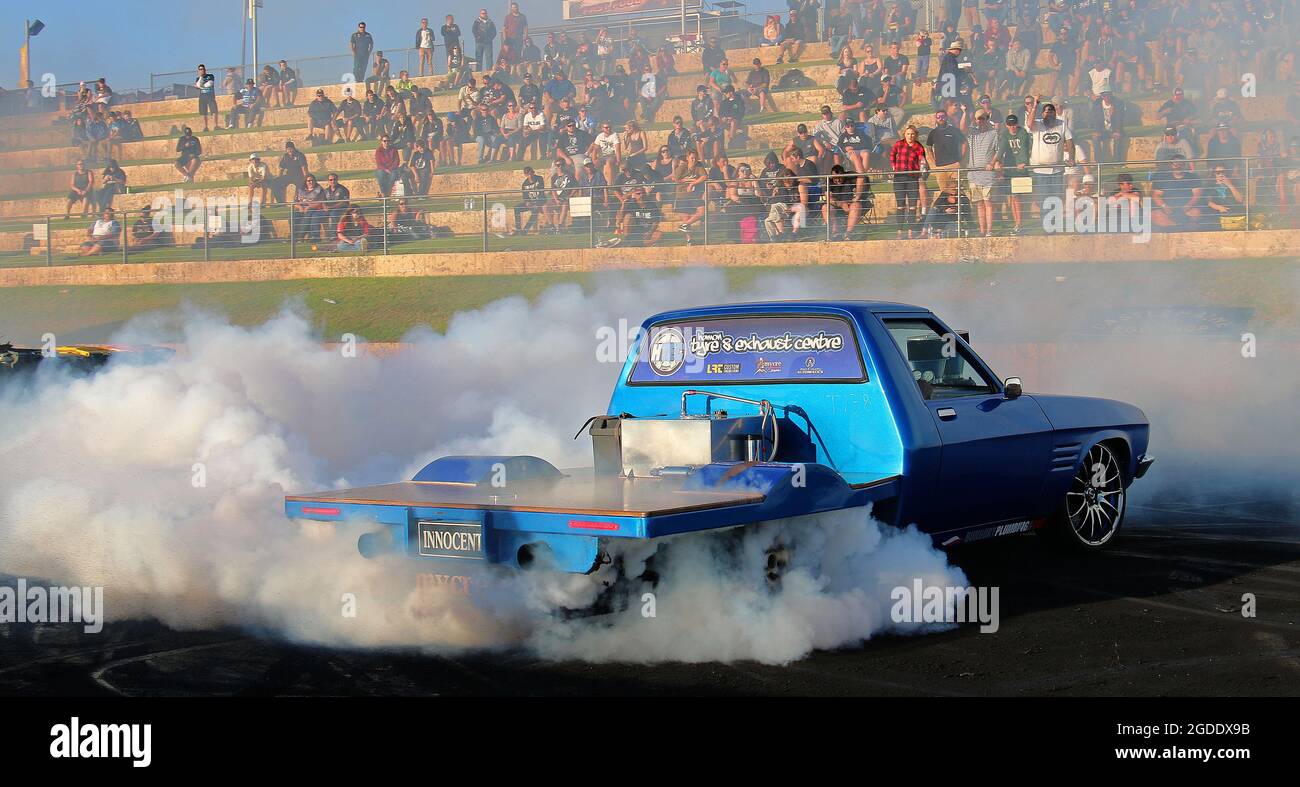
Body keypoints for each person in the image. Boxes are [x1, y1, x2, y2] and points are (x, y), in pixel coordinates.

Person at [1025, 98, 1074, 210]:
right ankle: (1045, 224)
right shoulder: (1038, 124)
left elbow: (1070, 141)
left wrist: (1072, 158)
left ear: (1055, 113)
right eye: (1047, 112)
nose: (1049, 114)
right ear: (1042, 114)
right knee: (1044, 200)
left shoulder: (1061, 125)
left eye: (1051, 111)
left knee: (1057, 200)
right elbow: (1029, 123)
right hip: (1041, 171)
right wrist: (1035, 106)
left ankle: (1055, 225)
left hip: (1057, 170)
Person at [965, 109, 1000, 236]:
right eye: (977, 119)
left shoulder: (994, 133)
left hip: (988, 174)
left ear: (987, 119)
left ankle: (989, 231)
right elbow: (962, 128)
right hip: (974, 174)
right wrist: (965, 113)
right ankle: (982, 230)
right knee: (979, 204)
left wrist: (992, 162)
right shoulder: (971, 133)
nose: (980, 121)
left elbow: (998, 150)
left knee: (988, 203)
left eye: (982, 118)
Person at [890, 125, 926, 238]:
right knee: (900, 206)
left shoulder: (918, 146)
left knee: (912, 206)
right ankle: (899, 231)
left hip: (912, 178)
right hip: (899, 177)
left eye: (912, 134)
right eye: (908, 134)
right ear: (904, 134)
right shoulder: (899, 144)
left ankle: (910, 231)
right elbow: (892, 154)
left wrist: (922, 164)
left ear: (916, 135)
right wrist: (893, 166)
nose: (910, 136)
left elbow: (922, 158)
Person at [998, 113, 1031, 235]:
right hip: (1009, 170)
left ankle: (1019, 223)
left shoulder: (1023, 133)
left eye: (1014, 124)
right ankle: (1017, 223)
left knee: (1017, 198)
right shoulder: (1005, 135)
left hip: (1020, 170)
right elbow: (1001, 149)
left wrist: (1022, 162)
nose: (1012, 127)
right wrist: (997, 161)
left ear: (1017, 124)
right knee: (1012, 197)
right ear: (1006, 125)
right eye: (1010, 124)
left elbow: (1023, 148)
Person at [294, 174, 328, 243]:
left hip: (314, 209)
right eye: (308, 180)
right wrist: (300, 207)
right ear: (305, 182)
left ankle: (301, 237)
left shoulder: (319, 189)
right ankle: (294, 236)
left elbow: (320, 202)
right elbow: (295, 202)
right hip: (301, 209)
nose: (311, 182)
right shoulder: (300, 190)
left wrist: (309, 207)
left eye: (312, 180)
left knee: (309, 214)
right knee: (293, 217)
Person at [513, 166, 546, 235]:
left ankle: (525, 230)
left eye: (531, 174)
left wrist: (536, 203)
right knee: (516, 208)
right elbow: (525, 197)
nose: (530, 176)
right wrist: (527, 202)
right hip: (531, 203)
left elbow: (541, 193)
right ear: (525, 175)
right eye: (528, 174)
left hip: (540, 202)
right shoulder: (524, 184)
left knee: (535, 210)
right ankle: (518, 229)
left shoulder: (539, 179)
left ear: (533, 173)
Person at [195, 64, 218, 132]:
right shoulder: (198, 78)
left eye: (202, 69)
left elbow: (210, 84)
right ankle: (206, 127)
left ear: (205, 69)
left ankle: (215, 126)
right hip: (202, 96)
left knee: (214, 111)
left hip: (210, 96)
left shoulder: (210, 76)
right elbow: (197, 85)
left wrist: (201, 86)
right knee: (203, 113)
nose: (201, 70)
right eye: (200, 69)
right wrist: (200, 78)